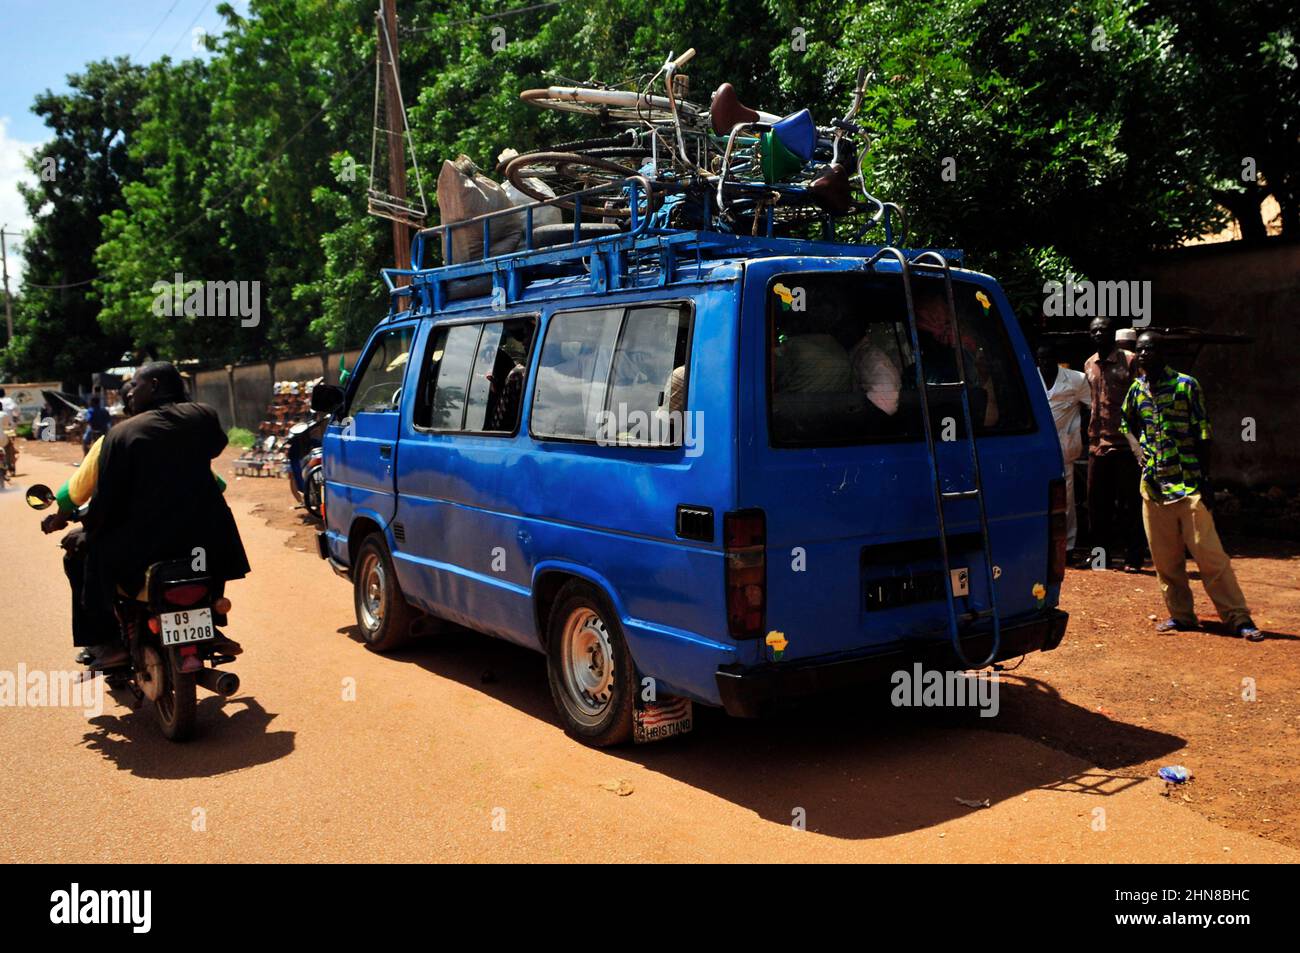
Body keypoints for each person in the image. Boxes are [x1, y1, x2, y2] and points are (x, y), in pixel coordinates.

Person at [72, 363, 251, 667]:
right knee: (215, 531)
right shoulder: (203, 416)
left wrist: (88, 528)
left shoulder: (121, 434)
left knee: (80, 550)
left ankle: (108, 642)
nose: (130, 394)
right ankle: (212, 622)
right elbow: (216, 447)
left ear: (153, 385)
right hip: (204, 542)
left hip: (144, 548)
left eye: (136, 386)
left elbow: (105, 502)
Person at [1120, 331, 1261, 641]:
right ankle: (1181, 616)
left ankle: (1238, 618)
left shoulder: (1186, 385)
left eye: (1149, 349)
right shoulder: (1136, 390)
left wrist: (1206, 480)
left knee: (1211, 557)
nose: (1143, 355)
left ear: (1162, 353)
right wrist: (1136, 449)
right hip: (1154, 488)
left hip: (1188, 485)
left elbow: (1203, 431)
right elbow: (1125, 423)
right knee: (1165, 560)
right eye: (1140, 350)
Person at [1084, 316, 1145, 571]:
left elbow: (1142, 400)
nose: (1099, 334)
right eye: (1095, 330)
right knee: (1097, 506)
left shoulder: (1129, 361)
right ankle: (1101, 557)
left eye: (1104, 330)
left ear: (1112, 334)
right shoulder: (1089, 364)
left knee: (1129, 504)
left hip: (1124, 446)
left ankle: (1133, 557)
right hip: (1097, 446)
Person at [1036, 341, 1091, 551]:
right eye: (1040, 358)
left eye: (1048, 358)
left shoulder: (1077, 379)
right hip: (1037, 448)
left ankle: (1066, 546)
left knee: (1066, 499)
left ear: (1056, 359)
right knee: (1039, 496)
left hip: (1064, 448)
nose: (1044, 362)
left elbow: (1091, 406)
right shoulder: (1030, 377)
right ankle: (1043, 543)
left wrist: (1078, 430)